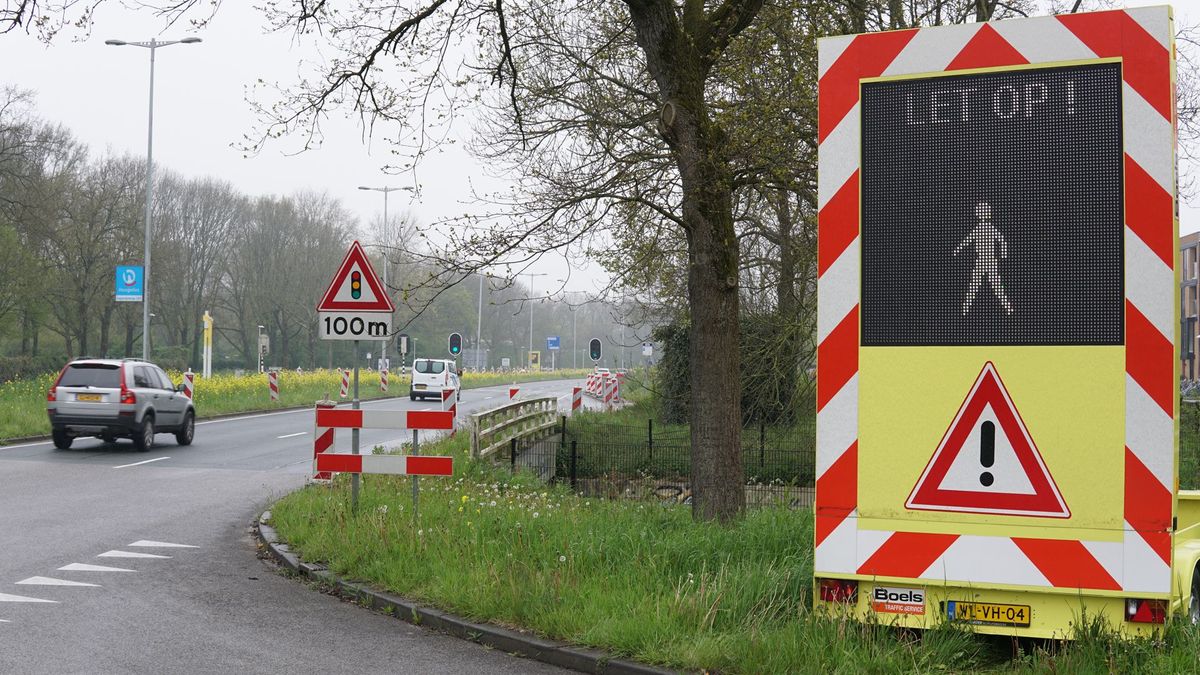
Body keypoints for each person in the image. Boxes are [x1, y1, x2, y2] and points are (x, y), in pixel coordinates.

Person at [953, 201, 1013, 316]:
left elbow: (1001, 240)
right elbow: (967, 240)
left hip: (989, 260)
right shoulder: (980, 228)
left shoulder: (988, 228)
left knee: (994, 286)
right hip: (983, 260)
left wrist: (1004, 254)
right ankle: (965, 309)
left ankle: (1008, 309)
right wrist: (957, 249)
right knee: (976, 285)